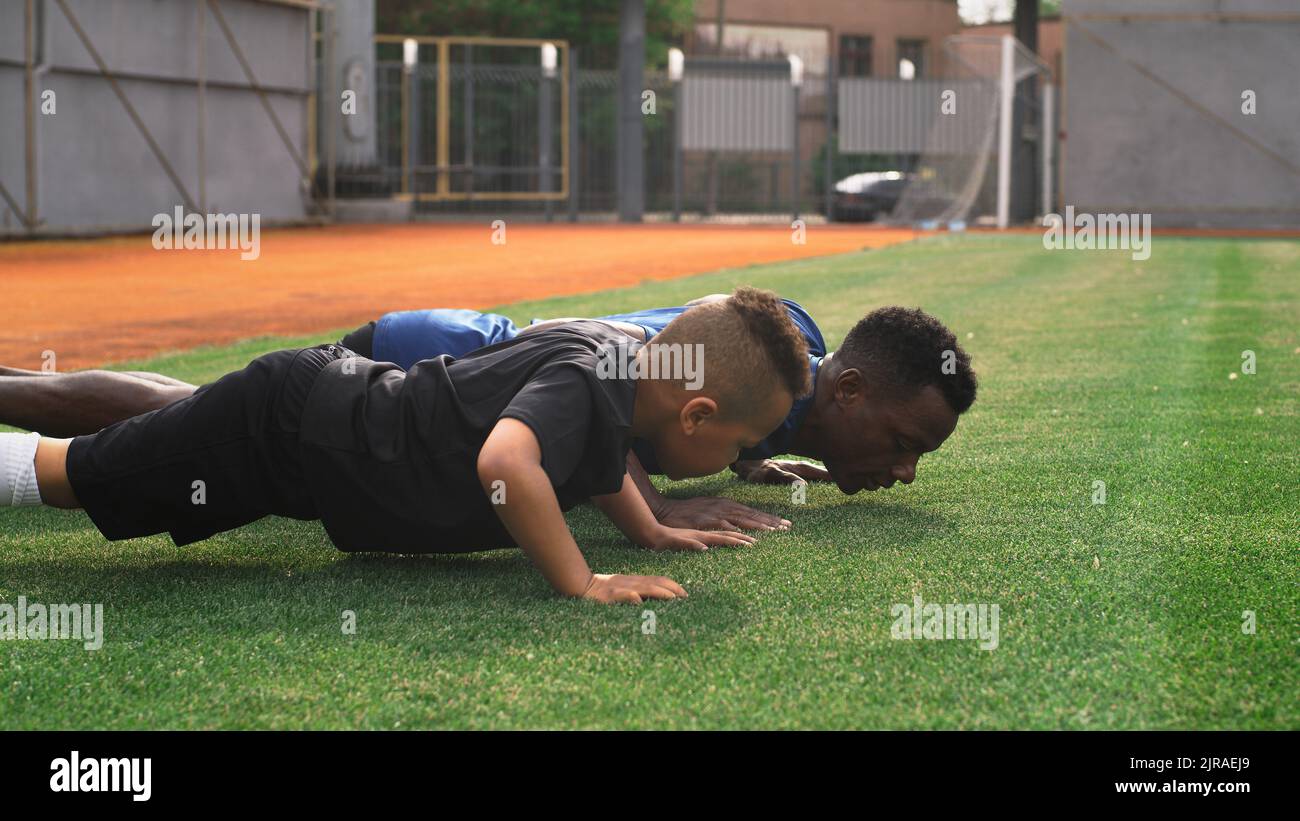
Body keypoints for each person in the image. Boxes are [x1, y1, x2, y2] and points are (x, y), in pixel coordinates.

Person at [0, 289, 810, 605]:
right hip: (285, 427)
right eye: (743, 440)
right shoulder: (594, 377)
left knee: (100, 469)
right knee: (74, 475)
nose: (744, 455)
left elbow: (597, 464)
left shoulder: (620, 371)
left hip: (309, 442)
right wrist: (583, 578)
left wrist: (649, 527)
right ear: (696, 415)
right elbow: (506, 463)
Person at [0, 300, 978, 528]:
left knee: (212, 419)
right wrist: (651, 506)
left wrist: (751, 465)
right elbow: (620, 381)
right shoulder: (763, 348)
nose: (899, 471)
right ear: (841, 390)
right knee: (207, 412)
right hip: (455, 353)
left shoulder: (779, 397)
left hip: (498, 375)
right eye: (900, 443)